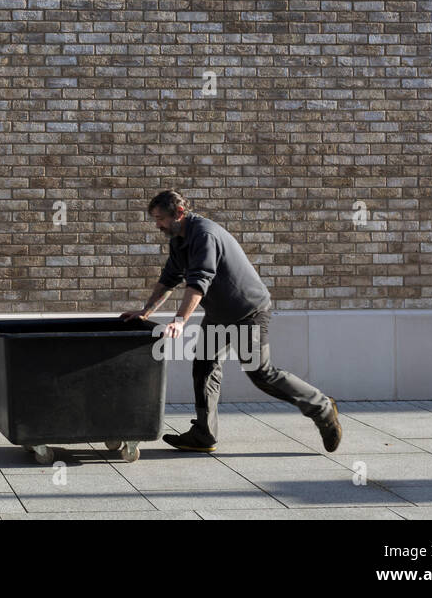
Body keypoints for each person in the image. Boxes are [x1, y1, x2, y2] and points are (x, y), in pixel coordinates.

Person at [121, 190, 342, 453]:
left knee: (260, 372)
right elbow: (170, 277)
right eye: (155, 219)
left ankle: (321, 406)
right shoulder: (178, 239)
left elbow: (198, 282)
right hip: (219, 315)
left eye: (161, 219)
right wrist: (145, 311)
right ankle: (204, 434)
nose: (158, 224)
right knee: (204, 367)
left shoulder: (204, 235)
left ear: (179, 213)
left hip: (247, 313)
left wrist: (180, 320)